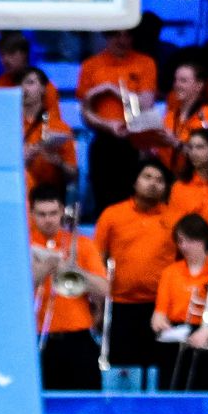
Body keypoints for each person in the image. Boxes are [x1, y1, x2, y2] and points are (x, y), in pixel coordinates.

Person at [93, 159, 180, 373]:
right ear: (135, 182)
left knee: (160, 371)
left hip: (161, 309)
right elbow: (97, 261)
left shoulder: (176, 219)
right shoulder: (112, 215)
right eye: (147, 177)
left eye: (159, 180)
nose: (153, 183)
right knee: (123, 372)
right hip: (121, 306)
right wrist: (97, 307)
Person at [29, 185, 110, 391]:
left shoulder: (81, 244)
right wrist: (47, 267)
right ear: (31, 214)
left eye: (53, 213)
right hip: (36, 336)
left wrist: (74, 271)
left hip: (78, 339)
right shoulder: (22, 245)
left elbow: (105, 289)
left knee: (85, 404)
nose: (48, 219)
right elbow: (14, 293)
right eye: (42, 214)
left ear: (62, 211)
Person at [76, 29, 158, 212]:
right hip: (104, 140)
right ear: (106, 36)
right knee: (103, 202)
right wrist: (107, 125)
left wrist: (115, 91)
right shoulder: (91, 66)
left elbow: (145, 106)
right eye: (116, 35)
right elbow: (85, 112)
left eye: (128, 35)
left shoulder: (145, 63)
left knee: (133, 201)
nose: (123, 40)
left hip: (134, 140)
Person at [151, 213, 208, 391]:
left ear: (203, 240)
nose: (184, 246)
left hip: (206, 334)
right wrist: (159, 322)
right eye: (180, 241)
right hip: (176, 337)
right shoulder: (170, 272)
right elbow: (159, 312)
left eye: (189, 240)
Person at [18, 68, 77, 194]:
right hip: (17, 192)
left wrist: (58, 162)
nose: (24, 88)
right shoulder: (8, 126)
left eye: (30, 82)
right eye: (20, 83)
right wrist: (20, 159)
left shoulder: (60, 128)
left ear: (43, 88)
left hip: (49, 196)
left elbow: (73, 175)